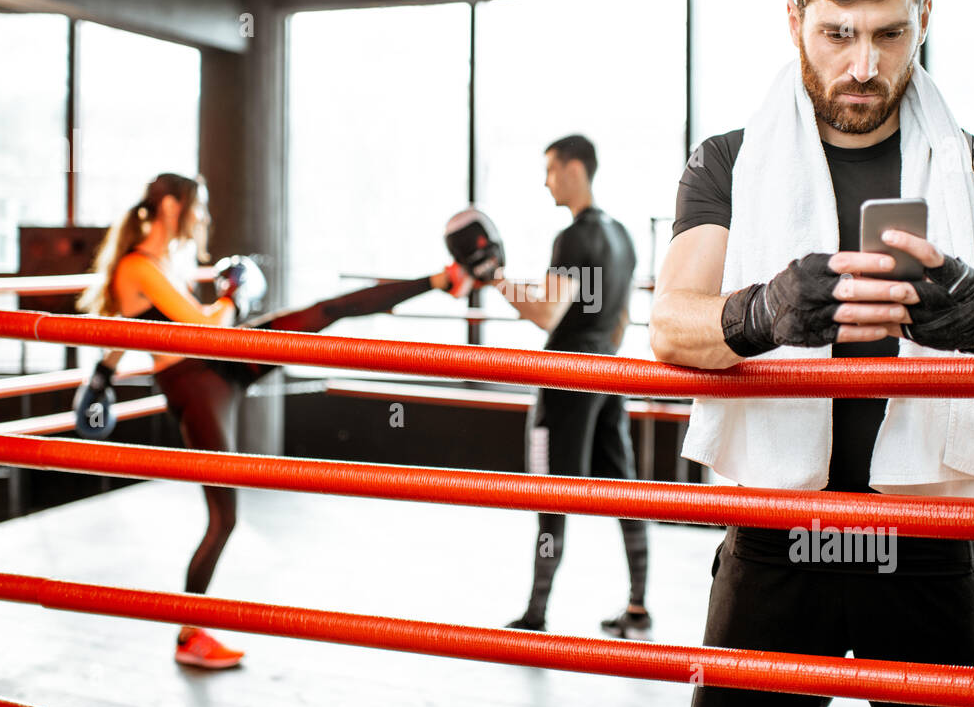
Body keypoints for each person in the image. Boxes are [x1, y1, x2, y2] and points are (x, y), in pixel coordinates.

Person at [650, 0, 974, 707]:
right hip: (777, 534)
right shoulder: (727, 161)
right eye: (837, 35)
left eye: (890, 34)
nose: (863, 65)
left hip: (930, 538)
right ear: (794, 21)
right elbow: (669, 325)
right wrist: (762, 311)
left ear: (924, 16)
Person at [77, 172, 468, 668]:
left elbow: (135, 327)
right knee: (224, 518)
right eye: (199, 207)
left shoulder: (160, 262)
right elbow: (198, 327)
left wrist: (103, 377)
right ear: (173, 206)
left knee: (325, 311)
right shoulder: (136, 265)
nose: (204, 218)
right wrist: (234, 296)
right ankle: (188, 635)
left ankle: (442, 279)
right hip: (197, 386)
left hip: (217, 365)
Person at [491, 135, 652, 639]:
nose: (545, 181)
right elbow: (622, 316)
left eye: (551, 169)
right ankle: (638, 604)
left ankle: (537, 613)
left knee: (550, 493)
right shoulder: (624, 236)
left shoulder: (572, 238)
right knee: (624, 489)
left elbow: (546, 311)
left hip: (565, 380)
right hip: (608, 372)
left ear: (575, 168)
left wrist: (495, 278)